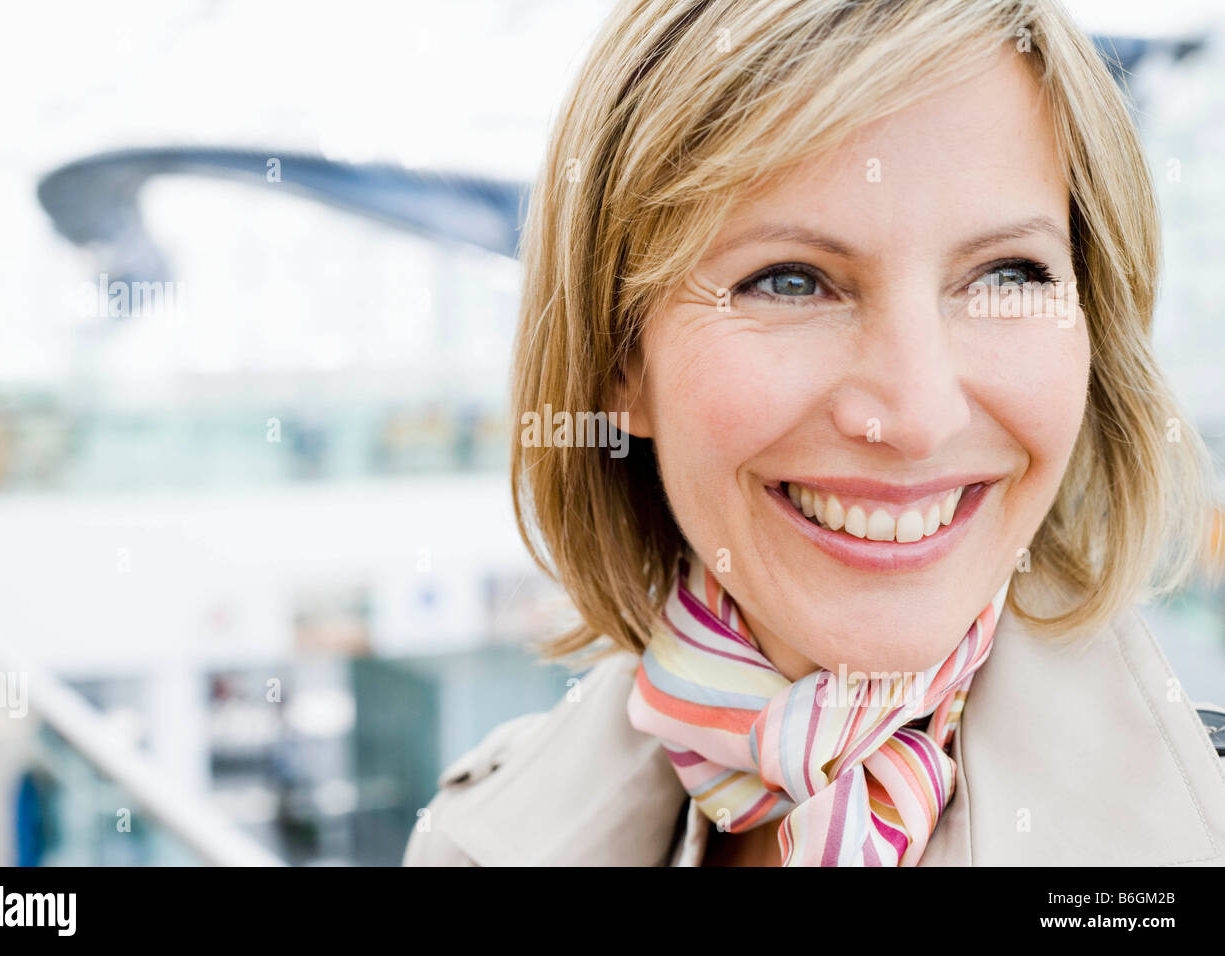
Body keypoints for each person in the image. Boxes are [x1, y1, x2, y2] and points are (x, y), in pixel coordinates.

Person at [404, 0, 1225, 866]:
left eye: (1006, 274)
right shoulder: (479, 838)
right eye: (791, 282)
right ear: (619, 360)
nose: (916, 416)